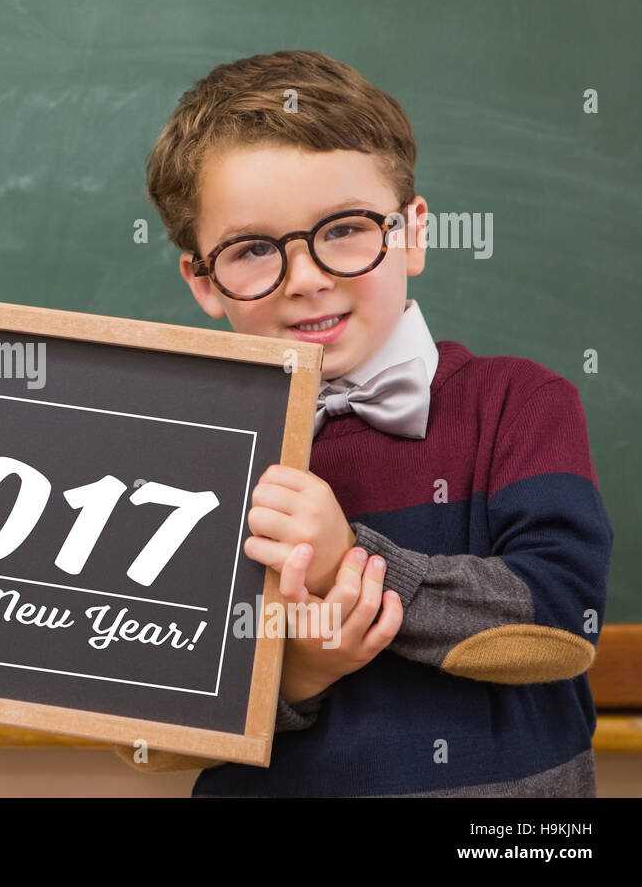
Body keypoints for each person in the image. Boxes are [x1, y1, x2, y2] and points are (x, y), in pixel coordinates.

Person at [126, 50, 611, 795]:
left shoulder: (522, 403)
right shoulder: (188, 456)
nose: (309, 277)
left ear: (413, 233)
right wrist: (298, 674)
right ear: (202, 279)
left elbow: (559, 630)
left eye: (346, 229)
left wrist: (347, 559)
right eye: (253, 249)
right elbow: (147, 735)